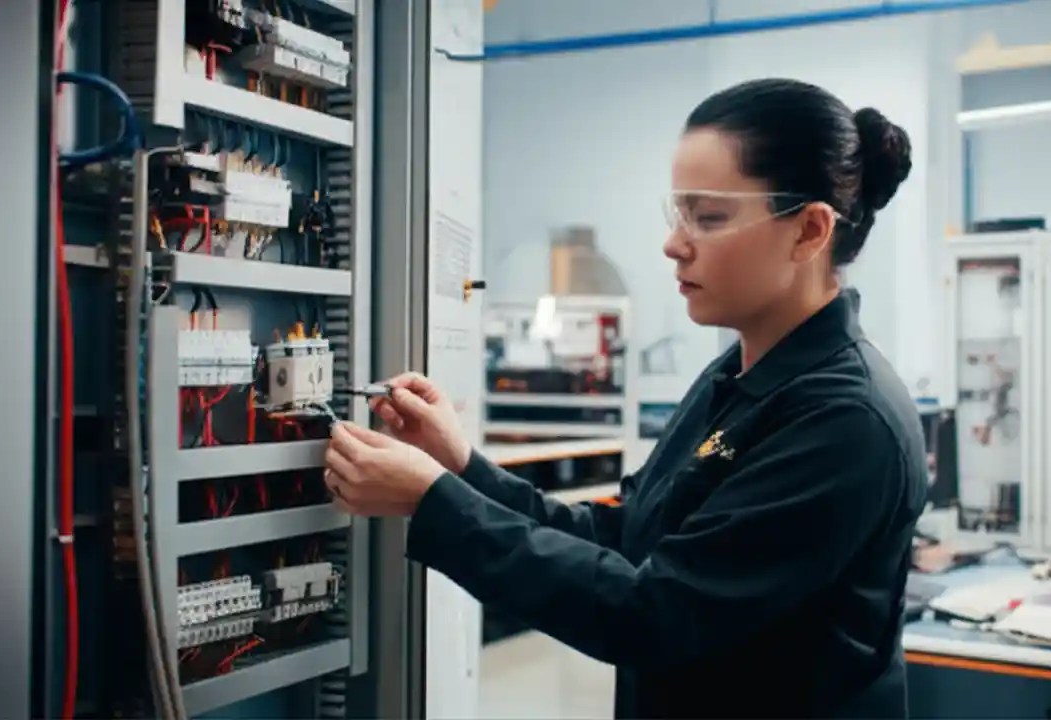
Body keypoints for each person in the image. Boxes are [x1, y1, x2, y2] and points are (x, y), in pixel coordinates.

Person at [324, 78, 927, 718]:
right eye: (678, 213)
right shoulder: (740, 375)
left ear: (809, 230)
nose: (674, 243)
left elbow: (654, 614)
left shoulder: (846, 420)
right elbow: (624, 537)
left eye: (709, 216)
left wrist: (433, 502)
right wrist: (461, 467)